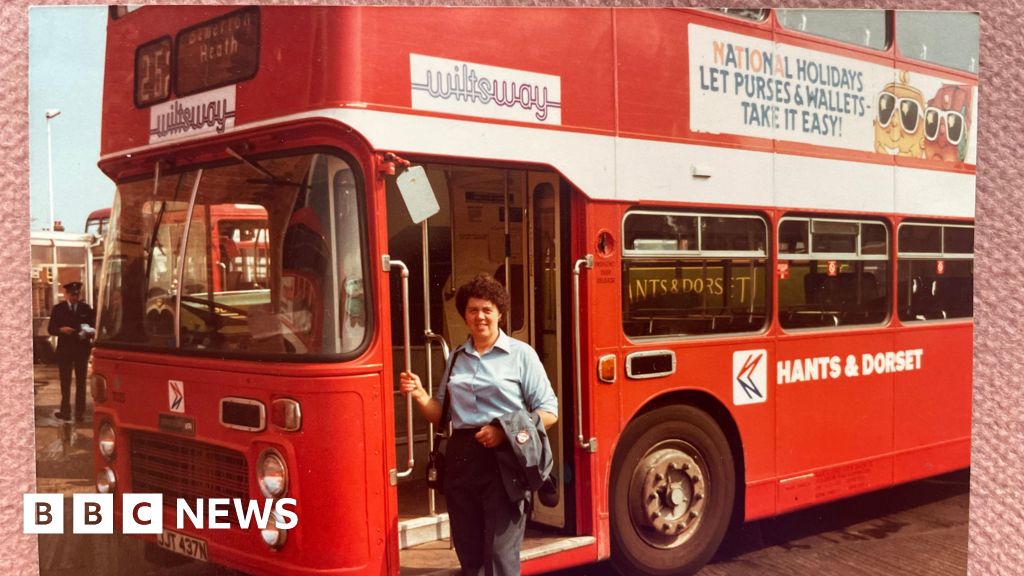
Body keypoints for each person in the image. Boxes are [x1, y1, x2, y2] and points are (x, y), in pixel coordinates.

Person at [401, 274, 558, 576]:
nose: (480, 317)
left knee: (500, 554)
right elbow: (442, 415)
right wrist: (419, 394)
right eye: (473, 310)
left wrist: (504, 432)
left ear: (500, 312)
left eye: (487, 309)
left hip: (506, 462)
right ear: (464, 315)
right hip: (462, 459)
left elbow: (549, 411)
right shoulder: (458, 357)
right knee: (469, 551)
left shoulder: (521, 355)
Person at [47, 281, 95, 421]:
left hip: (81, 349)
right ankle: (65, 411)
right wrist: (61, 330)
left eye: (77, 294)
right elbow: (51, 329)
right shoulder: (59, 309)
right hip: (65, 350)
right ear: (66, 294)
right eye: (72, 294)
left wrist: (88, 332)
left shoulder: (86, 308)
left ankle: (80, 412)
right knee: (65, 382)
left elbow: (93, 326)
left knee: (81, 382)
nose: (75, 297)